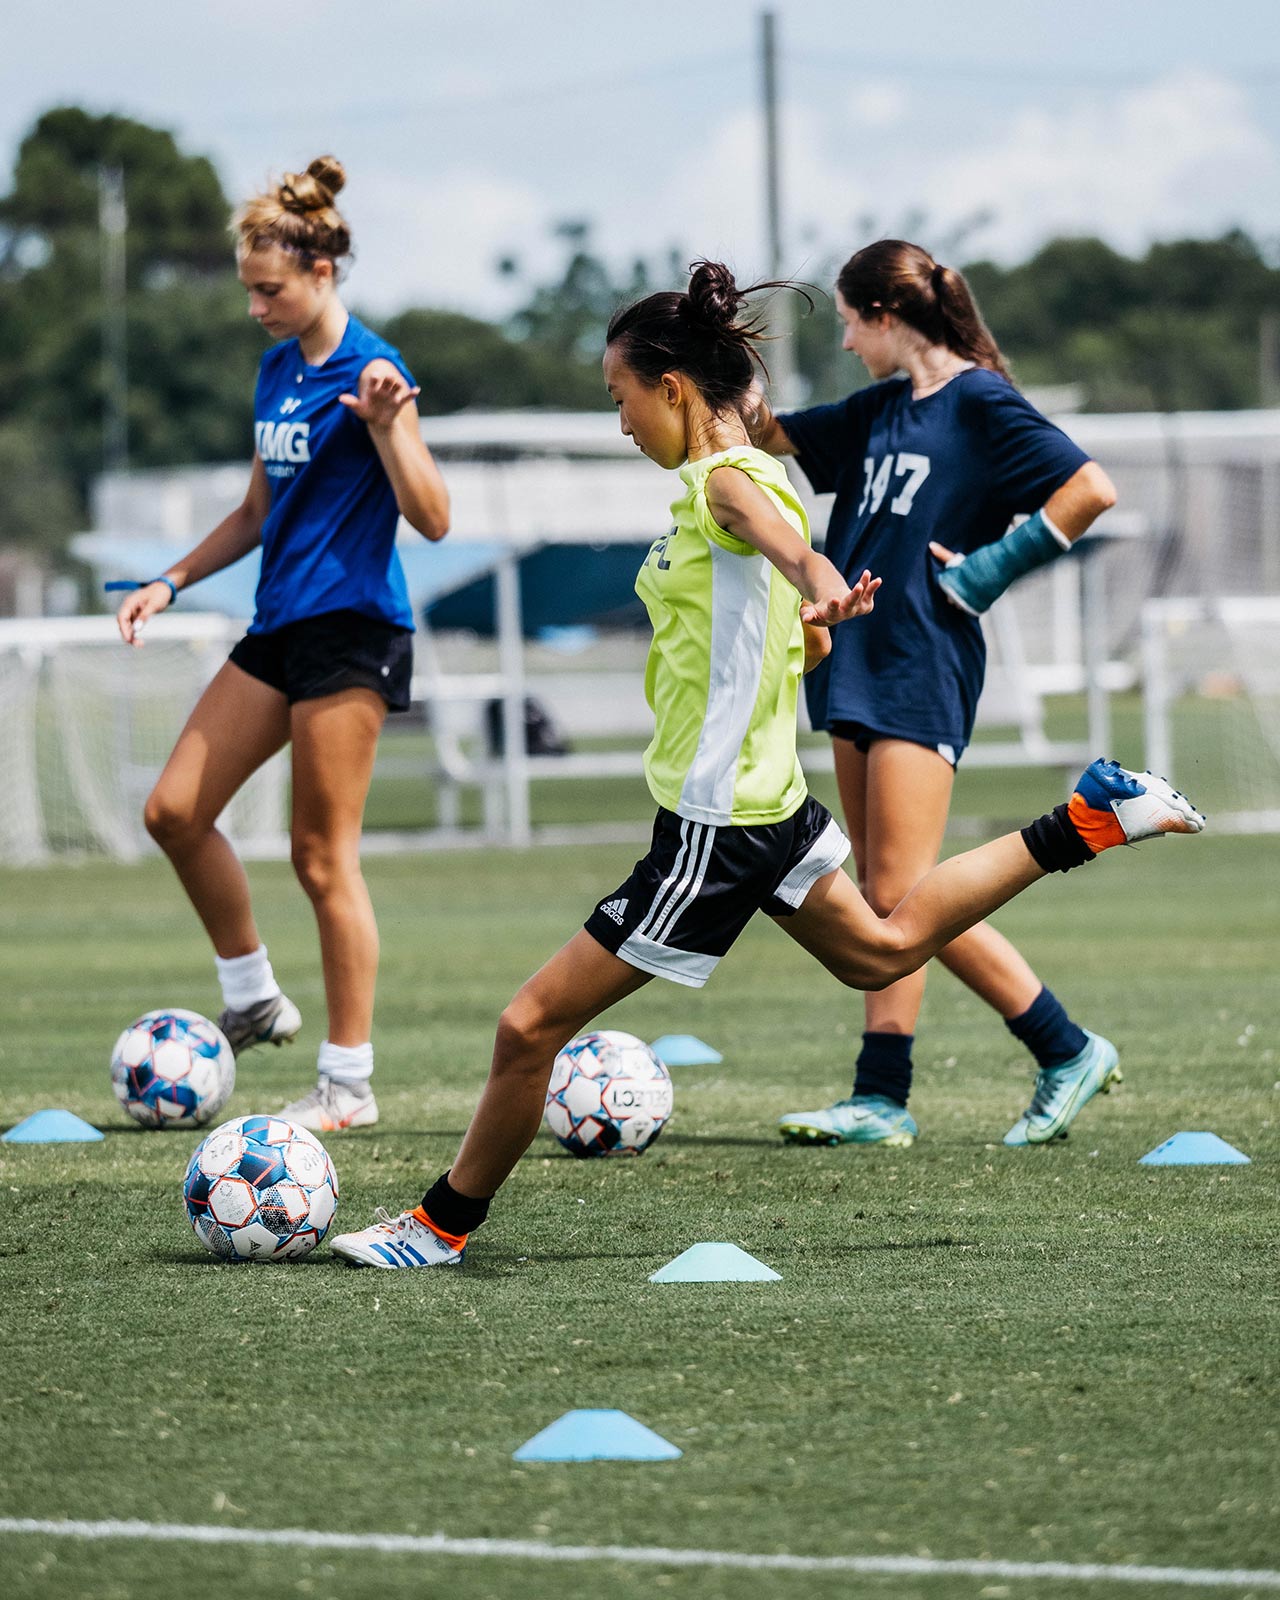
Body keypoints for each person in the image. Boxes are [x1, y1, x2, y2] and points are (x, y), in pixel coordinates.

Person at [326, 261, 1202, 1270]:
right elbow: (777, 592)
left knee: (527, 1027)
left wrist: (819, 582)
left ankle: (436, 1227)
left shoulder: (726, 481)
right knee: (881, 948)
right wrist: (808, 625)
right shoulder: (748, 474)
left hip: (716, 825)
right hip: (766, 805)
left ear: (671, 389)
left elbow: (785, 546)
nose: (618, 425)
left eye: (619, 400)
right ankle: (1088, 820)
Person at [749, 238, 1125, 1151]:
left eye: (846, 322)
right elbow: (768, 436)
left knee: (901, 889)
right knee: (881, 899)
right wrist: (716, 367)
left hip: (924, 658)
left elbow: (1090, 489)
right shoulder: (882, 406)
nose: (843, 342)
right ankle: (881, 1097)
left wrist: (991, 568)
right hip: (853, 660)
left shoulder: (982, 400)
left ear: (884, 316)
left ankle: (1063, 1046)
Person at [113, 156, 450, 1133]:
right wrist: (166, 582)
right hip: (280, 625)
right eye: (249, 289)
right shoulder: (273, 369)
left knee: (319, 855)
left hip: (354, 631)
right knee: (173, 810)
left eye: (270, 289)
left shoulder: (375, 370)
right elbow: (257, 509)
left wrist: (389, 430)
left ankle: (347, 1083)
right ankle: (253, 994)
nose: (256, 306)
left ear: (322, 272)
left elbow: (431, 515)